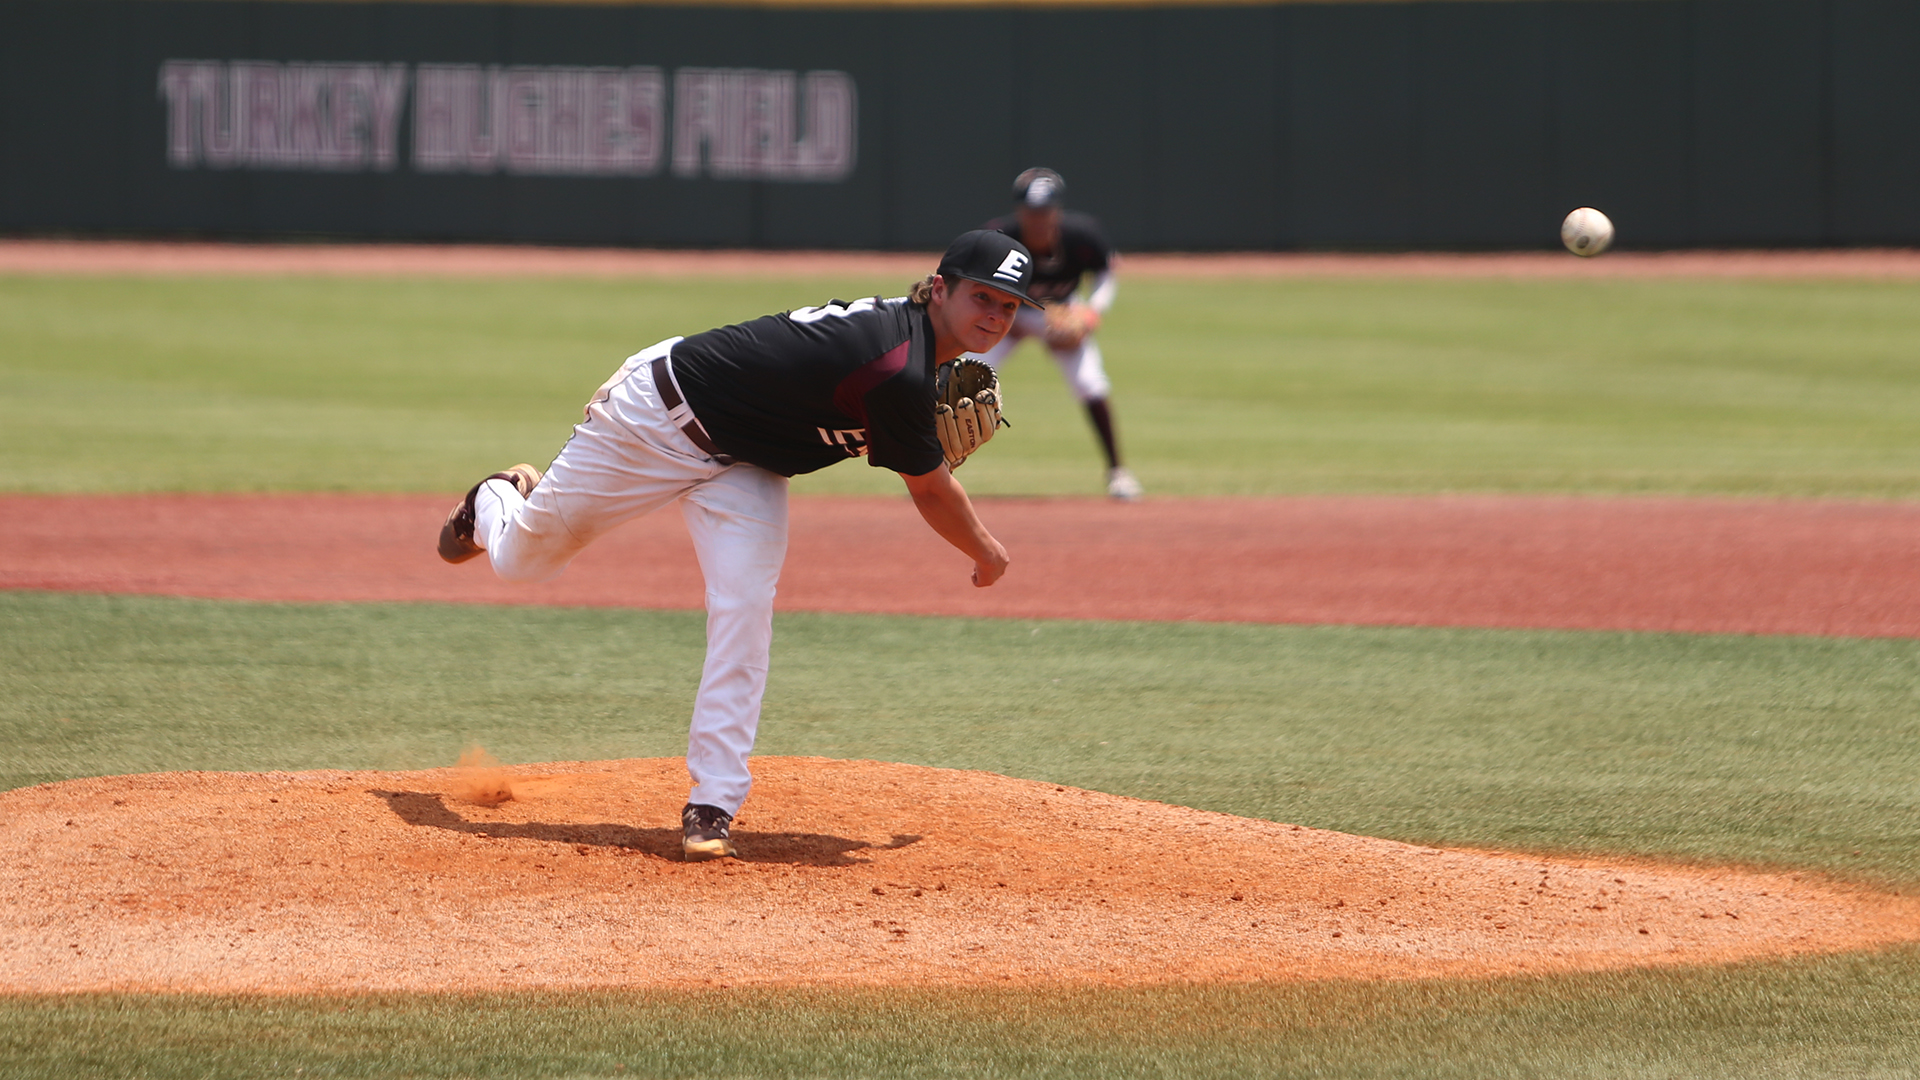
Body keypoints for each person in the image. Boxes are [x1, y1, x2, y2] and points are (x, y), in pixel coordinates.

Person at [435, 230, 1038, 861]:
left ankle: (713, 803)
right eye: (983, 297)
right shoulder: (895, 363)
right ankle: (496, 501)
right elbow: (932, 491)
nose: (995, 317)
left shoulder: (916, 361)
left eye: (1009, 306)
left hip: (744, 463)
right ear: (940, 289)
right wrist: (987, 552)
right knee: (521, 564)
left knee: (745, 605)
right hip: (654, 417)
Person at [981, 167, 1142, 500]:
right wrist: (992, 320)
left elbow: (1106, 272)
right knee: (961, 377)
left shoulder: (1082, 235)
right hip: (1008, 316)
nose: (1038, 219)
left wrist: (1091, 312)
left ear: (1057, 211)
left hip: (1064, 313)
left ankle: (1118, 473)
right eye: (1031, 211)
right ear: (1019, 211)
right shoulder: (999, 238)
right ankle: (931, 467)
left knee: (1090, 384)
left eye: (1045, 211)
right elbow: (973, 285)